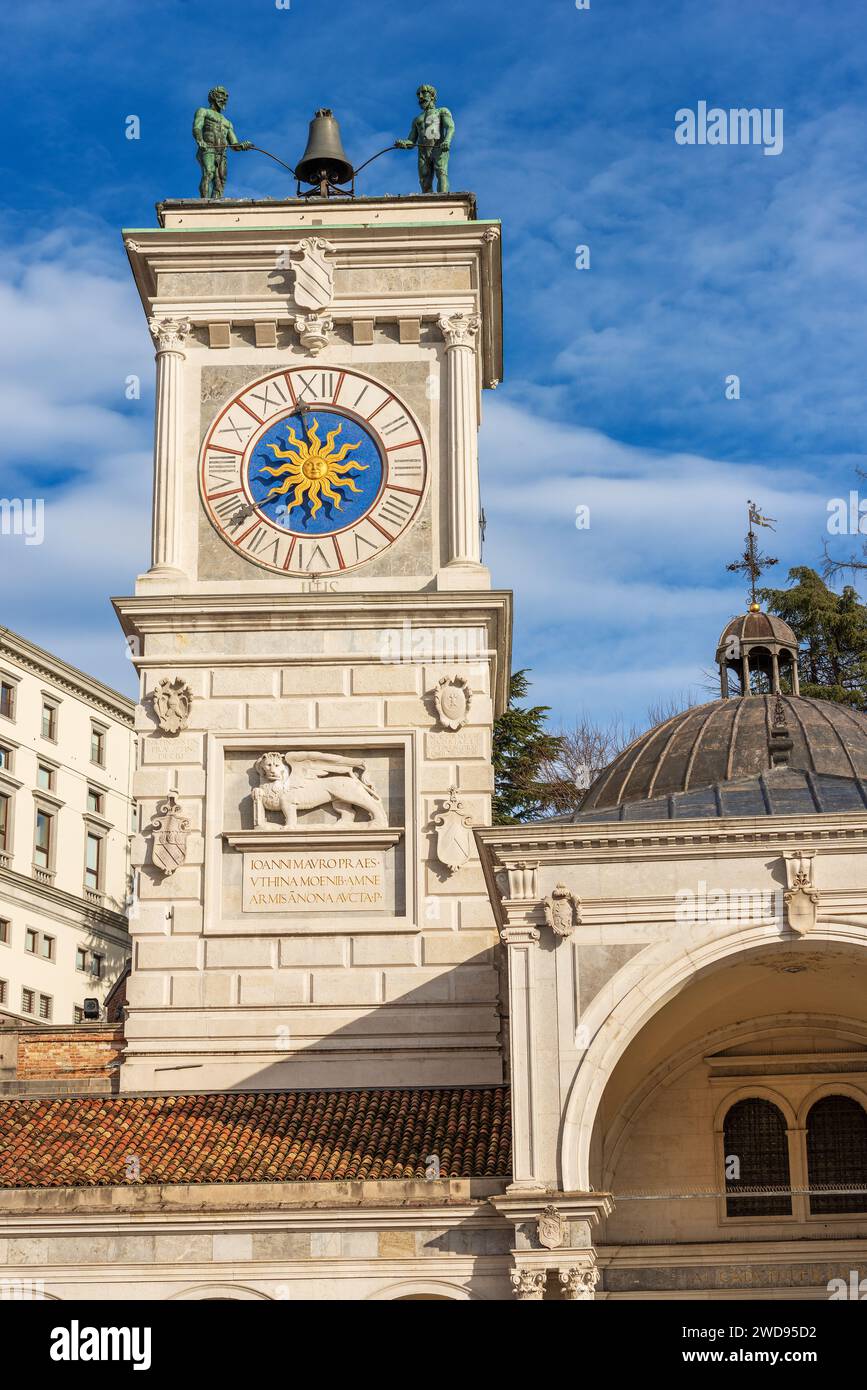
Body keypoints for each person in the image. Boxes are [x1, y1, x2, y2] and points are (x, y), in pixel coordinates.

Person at [192, 87, 252, 200]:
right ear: (214, 96)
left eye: (226, 96)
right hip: (208, 147)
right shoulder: (203, 111)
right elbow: (197, 127)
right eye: (222, 94)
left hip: (222, 152)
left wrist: (243, 145)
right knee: (209, 173)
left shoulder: (228, 123)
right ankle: (204, 203)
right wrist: (200, 140)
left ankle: (216, 205)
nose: (224, 98)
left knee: (220, 181)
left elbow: (234, 145)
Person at [396, 85, 454, 194]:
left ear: (432, 96)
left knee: (441, 173)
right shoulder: (417, 119)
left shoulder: (442, 111)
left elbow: (450, 127)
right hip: (423, 151)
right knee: (424, 180)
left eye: (423, 93)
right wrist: (403, 143)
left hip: (438, 146)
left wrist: (447, 141)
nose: (421, 97)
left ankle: (444, 201)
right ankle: (428, 205)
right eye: (418, 95)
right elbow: (412, 142)